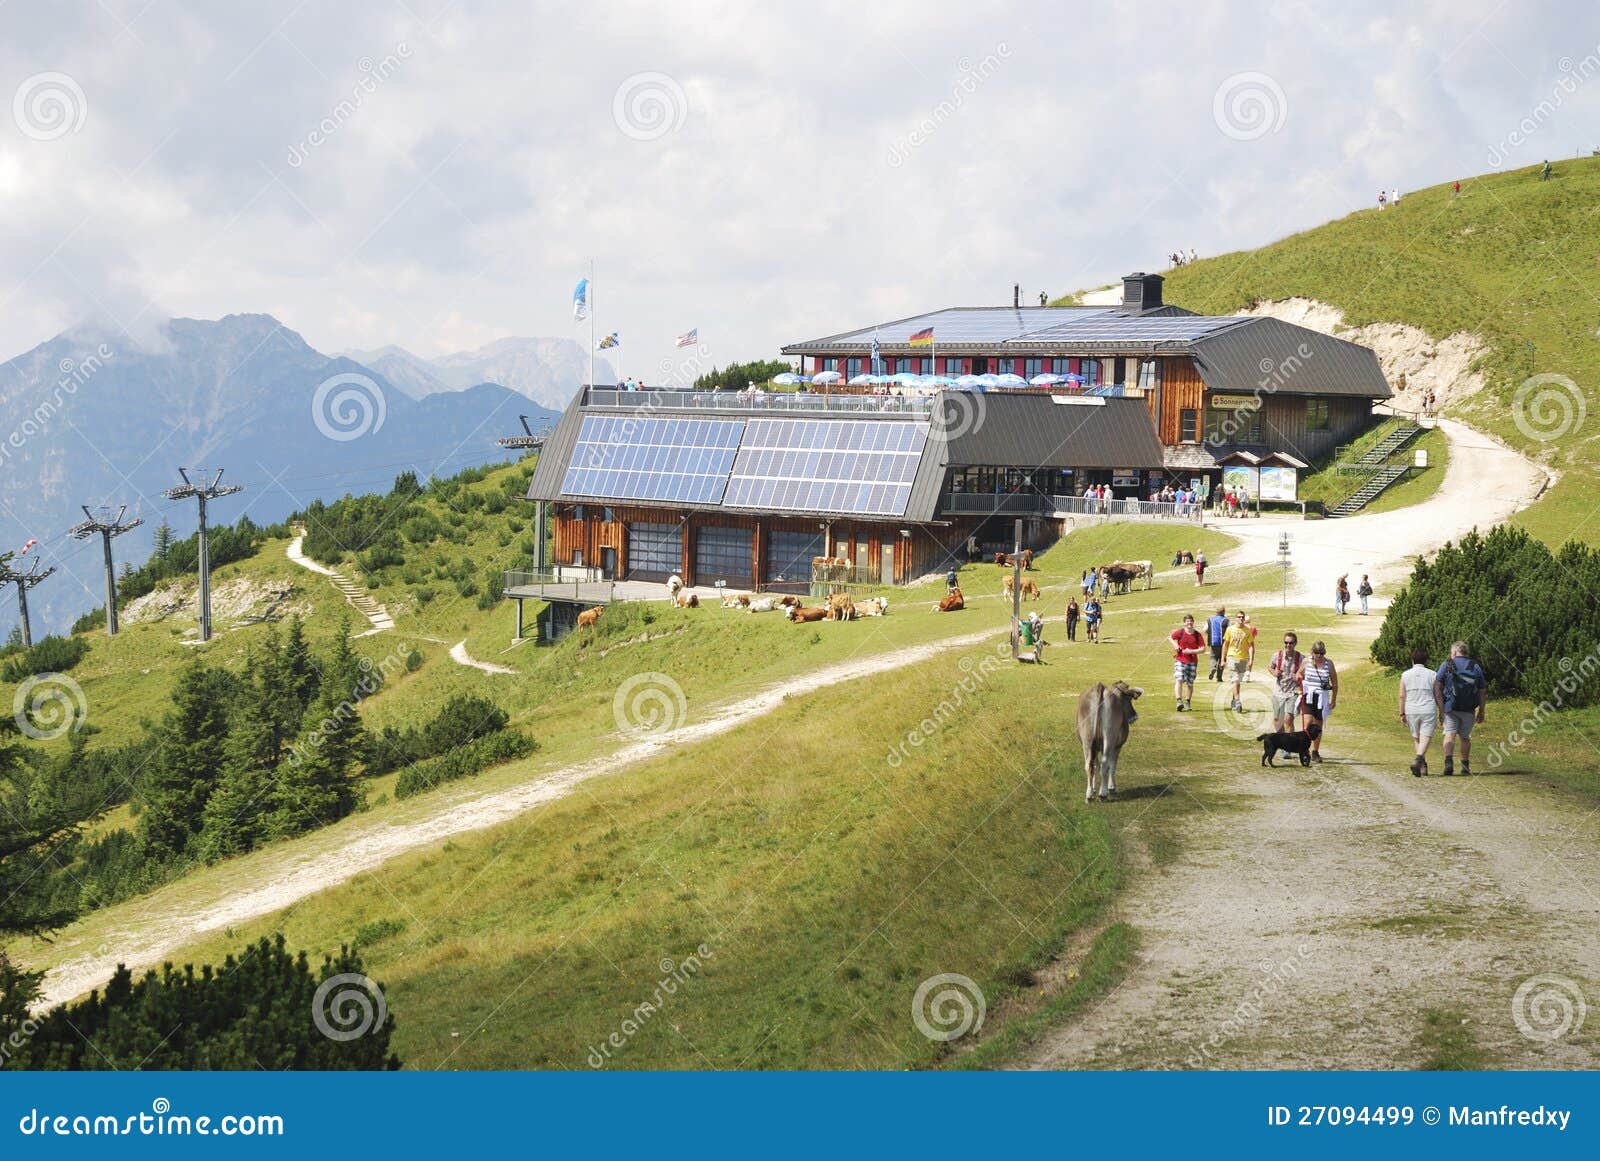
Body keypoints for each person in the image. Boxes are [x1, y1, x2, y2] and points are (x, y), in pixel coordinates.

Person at [1434, 641, 1487, 776]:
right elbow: (1482, 690)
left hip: (1451, 707)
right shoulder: (1475, 666)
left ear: (1454, 652)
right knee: (1465, 737)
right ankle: (1465, 765)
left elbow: (1437, 686)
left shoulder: (1447, 664)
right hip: (1469, 708)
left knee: (1449, 734)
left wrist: (1441, 707)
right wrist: (1481, 710)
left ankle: (1448, 762)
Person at [1399, 647, 1438, 777]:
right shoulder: (1433, 674)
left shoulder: (1405, 674)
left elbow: (1402, 696)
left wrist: (1402, 713)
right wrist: (1442, 711)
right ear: (1426, 660)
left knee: (1416, 737)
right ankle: (1419, 760)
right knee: (1425, 736)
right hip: (1428, 708)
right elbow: (1437, 694)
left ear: (1412, 660)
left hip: (1411, 709)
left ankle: (1422, 766)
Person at [1299, 641, 1338, 764]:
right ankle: (1305, 750)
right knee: (1307, 724)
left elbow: (1335, 682)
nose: (1319, 656)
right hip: (1309, 696)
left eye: (1322, 653)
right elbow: (1298, 673)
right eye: (1316, 653)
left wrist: (1333, 700)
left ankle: (1315, 751)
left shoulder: (1329, 664)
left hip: (1322, 697)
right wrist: (1299, 678)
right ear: (1312, 652)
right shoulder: (1306, 661)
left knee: (1318, 726)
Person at [1269, 631, 1306, 742]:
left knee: (1288, 719)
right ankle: (1282, 742)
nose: (1288, 645)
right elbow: (1270, 667)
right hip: (1278, 691)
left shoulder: (1301, 658)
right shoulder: (1277, 656)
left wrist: (1299, 676)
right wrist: (1274, 672)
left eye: (1291, 643)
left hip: (1293, 692)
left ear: (1295, 643)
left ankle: (1289, 746)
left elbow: (1306, 674)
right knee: (1277, 720)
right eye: (1286, 643)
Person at [1169, 614, 1205, 711]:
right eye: (1187, 621)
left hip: (1192, 661)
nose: (1189, 623)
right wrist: (1175, 645)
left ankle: (1187, 702)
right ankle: (1179, 701)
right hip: (1180, 659)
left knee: (1190, 683)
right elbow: (1170, 637)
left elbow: (1203, 649)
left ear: (1193, 622)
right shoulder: (1180, 632)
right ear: (1184, 623)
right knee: (1179, 679)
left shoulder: (1197, 635)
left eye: (1191, 621)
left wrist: (1192, 651)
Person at [1222, 612, 1256, 712]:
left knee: (1237, 682)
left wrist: (1250, 659)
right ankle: (1237, 701)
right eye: (1239, 617)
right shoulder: (1230, 629)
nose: (1241, 619)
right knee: (1235, 680)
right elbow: (1225, 644)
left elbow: (1250, 645)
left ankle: (1233, 700)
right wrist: (1223, 659)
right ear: (1235, 618)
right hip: (1232, 656)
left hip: (1243, 658)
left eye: (1242, 617)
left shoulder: (1247, 630)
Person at [1206, 604, 1230, 682]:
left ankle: (1212, 668)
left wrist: (1210, 634)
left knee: (1213, 657)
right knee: (1222, 659)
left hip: (1213, 642)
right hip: (1224, 643)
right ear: (1224, 612)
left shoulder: (1210, 620)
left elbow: (1205, 629)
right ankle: (1219, 677)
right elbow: (1230, 630)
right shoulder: (1226, 620)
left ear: (1216, 612)